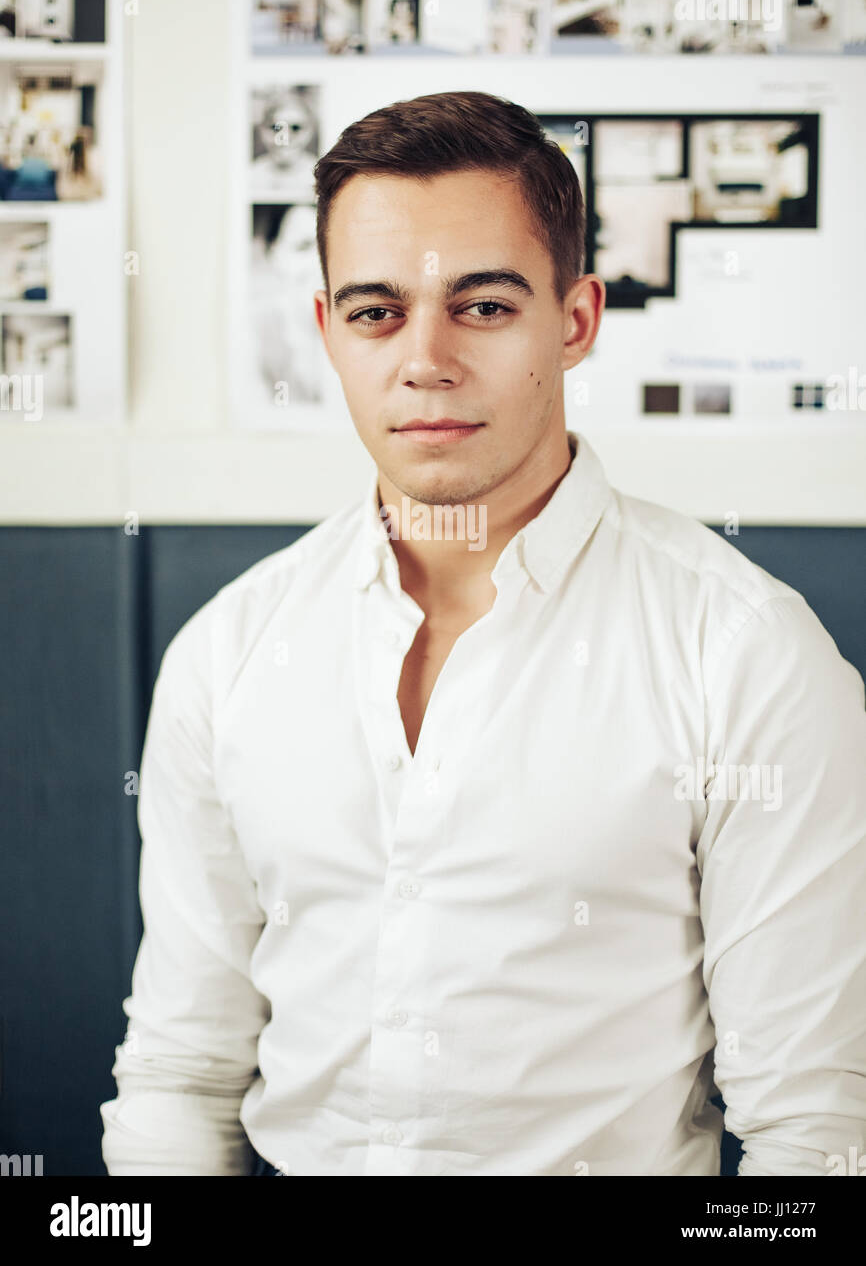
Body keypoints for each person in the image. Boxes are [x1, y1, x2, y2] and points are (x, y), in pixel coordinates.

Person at [100, 90, 866, 1176]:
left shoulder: (746, 657)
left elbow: (813, 1137)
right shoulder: (228, 655)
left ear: (575, 319)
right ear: (327, 333)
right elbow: (179, 1080)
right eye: (374, 312)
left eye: (483, 305)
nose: (424, 359)